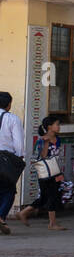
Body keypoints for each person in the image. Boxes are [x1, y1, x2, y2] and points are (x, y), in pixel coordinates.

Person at [17, 116, 66, 231]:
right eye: (57, 124)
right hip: (45, 173)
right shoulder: (42, 140)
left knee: (45, 197)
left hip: (55, 171)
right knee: (51, 195)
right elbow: (43, 156)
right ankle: (52, 223)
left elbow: (58, 155)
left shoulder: (58, 139)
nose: (59, 127)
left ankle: (24, 212)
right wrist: (46, 143)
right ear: (49, 127)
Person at [0, 91, 24, 234]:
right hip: (5, 159)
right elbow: (19, 144)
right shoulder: (12, 119)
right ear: (9, 105)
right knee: (9, 190)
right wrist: (20, 158)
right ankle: (1, 216)